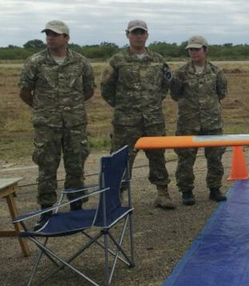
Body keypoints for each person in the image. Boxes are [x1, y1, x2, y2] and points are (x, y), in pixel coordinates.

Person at [19, 20, 95, 227]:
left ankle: (77, 207)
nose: (50, 37)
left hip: (75, 125)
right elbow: (24, 92)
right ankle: (47, 211)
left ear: (66, 38)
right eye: (48, 34)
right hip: (47, 126)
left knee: (76, 166)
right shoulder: (35, 62)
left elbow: (88, 90)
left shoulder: (81, 62)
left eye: (55, 34)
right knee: (46, 168)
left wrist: (71, 107)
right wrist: (45, 109)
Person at [101, 20, 176, 209]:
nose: (138, 36)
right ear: (127, 35)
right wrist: (123, 107)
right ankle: (116, 196)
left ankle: (162, 193)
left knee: (158, 156)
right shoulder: (117, 60)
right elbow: (106, 88)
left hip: (153, 119)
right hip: (126, 121)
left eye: (142, 33)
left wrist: (152, 103)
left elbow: (165, 85)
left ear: (147, 35)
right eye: (134, 33)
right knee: (122, 158)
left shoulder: (158, 60)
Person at [170, 35, 228, 205]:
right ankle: (186, 191)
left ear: (205, 50)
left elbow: (221, 92)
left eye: (196, 49)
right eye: (190, 50)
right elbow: (175, 93)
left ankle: (214, 188)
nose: (193, 52)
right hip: (188, 122)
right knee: (185, 158)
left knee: (215, 157)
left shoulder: (216, 71)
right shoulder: (181, 72)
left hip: (212, 122)